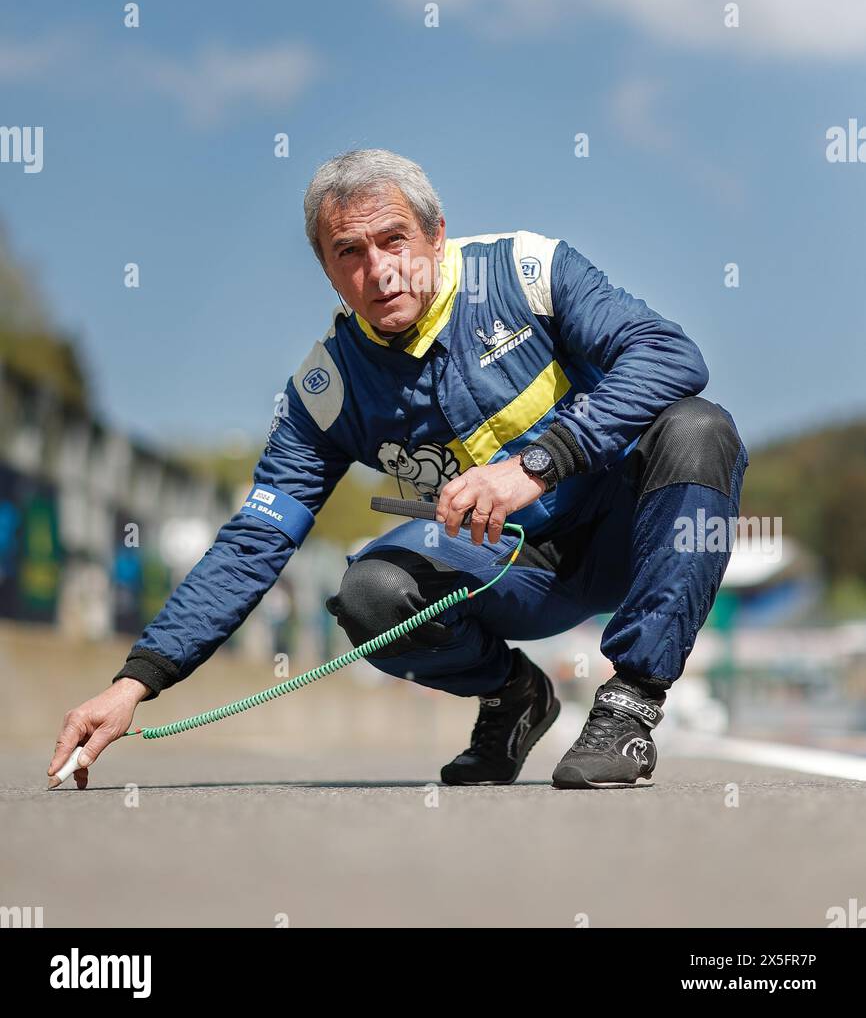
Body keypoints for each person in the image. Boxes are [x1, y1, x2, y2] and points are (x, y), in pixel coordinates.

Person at [48, 147, 748, 791]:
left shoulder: (526, 270)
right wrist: (135, 680)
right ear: (325, 268)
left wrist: (539, 463)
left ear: (436, 235)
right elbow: (254, 542)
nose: (378, 270)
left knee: (700, 428)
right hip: (515, 577)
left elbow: (671, 356)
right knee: (370, 592)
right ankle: (511, 695)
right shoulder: (326, 391)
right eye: (348, 252)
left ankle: (629, 706)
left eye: (394, 240)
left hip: (633, 539)